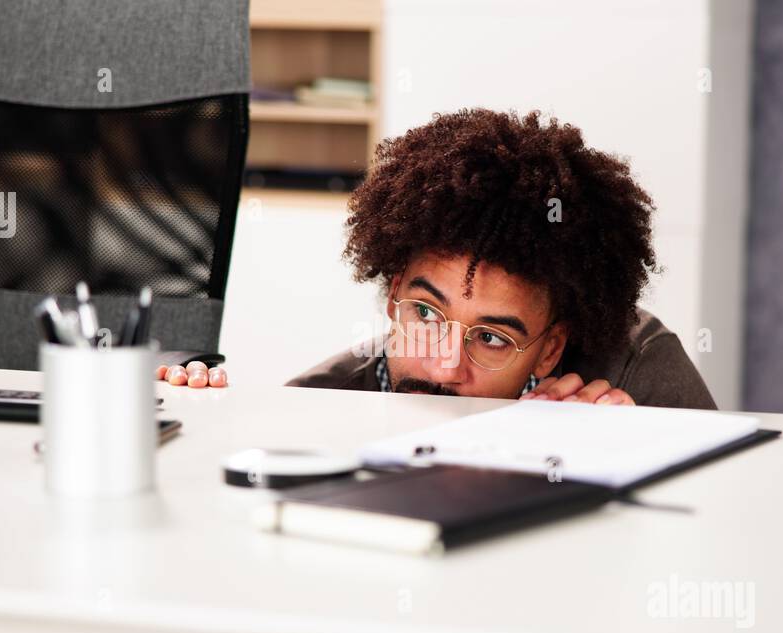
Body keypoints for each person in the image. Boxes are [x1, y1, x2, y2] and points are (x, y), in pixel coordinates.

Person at [158, 108, 714, 410]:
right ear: (395, 294)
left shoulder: (638, 372)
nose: (445, 367)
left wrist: (627, 463)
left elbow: (720, 531)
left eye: (492, 338)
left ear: (550, 351)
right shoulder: (325, 404)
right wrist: (204, 427)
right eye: (426, 315)